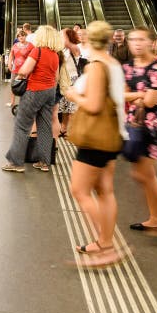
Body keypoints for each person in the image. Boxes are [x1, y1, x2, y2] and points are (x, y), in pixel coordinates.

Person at [63, 21, 126, 266]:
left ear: (87, 39)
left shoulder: (97, 67)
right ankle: (104, 243)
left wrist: (72, 94)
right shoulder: (114, 64)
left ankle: (108, 247)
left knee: (79, 191)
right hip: (113, 134)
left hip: (95, 137)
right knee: (104, 190)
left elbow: (94, 105)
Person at [122, 27, 157, 231]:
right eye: (132, 40)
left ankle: (156, 218)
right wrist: (141, 95)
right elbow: (121, 94)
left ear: (151, 42)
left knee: (146, 174)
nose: (136, 43)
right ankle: (156, 214)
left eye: (141, 39)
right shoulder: (128, 66)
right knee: (139, 174)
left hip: (152, 127)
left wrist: (135, 95)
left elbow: (150, 102)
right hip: (133, 122)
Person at [2, 26, 61, 173]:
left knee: (22, 125)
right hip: (50, 92)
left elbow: (24, 70)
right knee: (45, 126)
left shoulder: (37, 51)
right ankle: (44, 162)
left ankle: (16, 163)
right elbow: (57, 77)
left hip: (34, 91)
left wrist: (22, 77)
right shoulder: (55, 55)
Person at [58, 28, 82, 136]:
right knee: (65, 107)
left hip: (74, 79)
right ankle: (63, 128)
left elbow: (69, 44)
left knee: (72, 108)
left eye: (62, 36)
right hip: (64, 80)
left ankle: (72, 131)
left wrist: (64, 35)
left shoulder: (75, 48)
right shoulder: (62, 49)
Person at [7, 30, 33, 107]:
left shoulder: (31, 46)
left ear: (25, 36)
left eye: (22, 35)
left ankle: (25, 102)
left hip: (26, 69)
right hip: (15, 69)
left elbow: (34, 56)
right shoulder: (15, 45)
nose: (21, 37)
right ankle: (12, 102)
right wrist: (9, 63)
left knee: (26, 86)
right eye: (19, 36)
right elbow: (11, 55)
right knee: (13, 84)